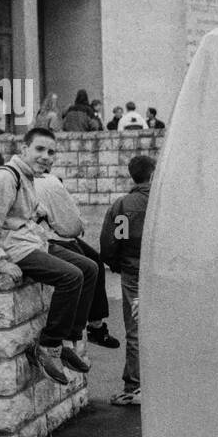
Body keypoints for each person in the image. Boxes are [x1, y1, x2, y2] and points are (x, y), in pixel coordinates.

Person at [0, 128, 97, 384]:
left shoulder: (27, 178)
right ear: (24, 148)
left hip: (29, 242)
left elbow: (24, 216)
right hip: (12, 248)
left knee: (90, 268)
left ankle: (66, 340)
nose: (46, 156)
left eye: (51, 152)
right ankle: (48, 346)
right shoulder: (5, 178)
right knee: (71, 277)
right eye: (39, 149)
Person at [34, 169, 121, 349]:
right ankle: (79, 331)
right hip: (49, 237)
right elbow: (70, 224)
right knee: (87, 267)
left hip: (49, 235)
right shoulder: (48, 183)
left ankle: (92, 326)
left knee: (93, 261)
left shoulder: (35, 181)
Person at [100, 155, 155, 406]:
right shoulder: (163, 202)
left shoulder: (122, 206)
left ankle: (135, 385)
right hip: (162, 272)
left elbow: (112, 242)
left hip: (132, 271)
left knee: (135, 328)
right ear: (153, 174)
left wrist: (116, 264)